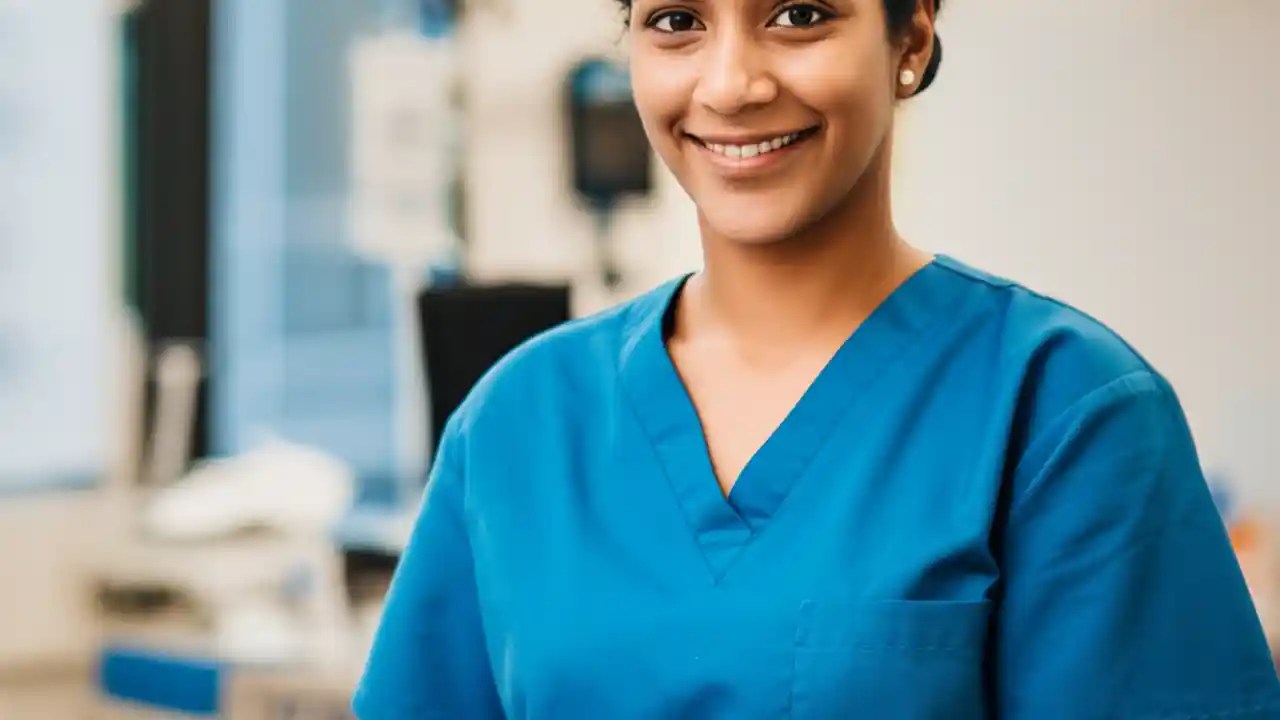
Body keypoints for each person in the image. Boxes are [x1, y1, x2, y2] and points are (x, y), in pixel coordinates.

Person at [353, 0, 1280, 717]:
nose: (731, 85)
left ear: (910, 36)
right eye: (676, 22)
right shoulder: (519, 420)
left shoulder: (1064, 410)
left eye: (799, 15)